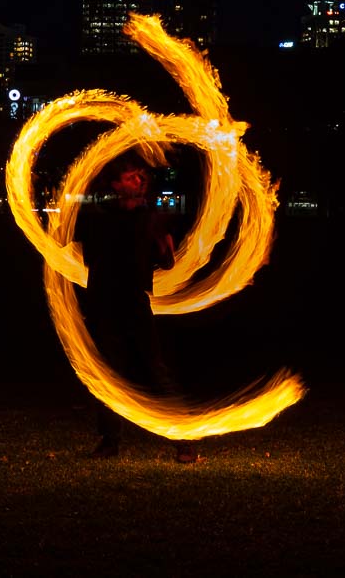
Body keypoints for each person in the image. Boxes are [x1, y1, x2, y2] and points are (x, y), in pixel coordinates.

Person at [74, 149, 199, 464]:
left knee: (156, 369)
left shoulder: (152, 219)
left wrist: (165, 249)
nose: (140, 179)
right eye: (132, 176)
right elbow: (85, 257)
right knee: (108, 373)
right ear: (116, 185)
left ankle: (183, 440)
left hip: (134, 300)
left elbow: (165, 262)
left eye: (142, 176)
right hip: (104, 300)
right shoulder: (98, 217)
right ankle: (109, 441)